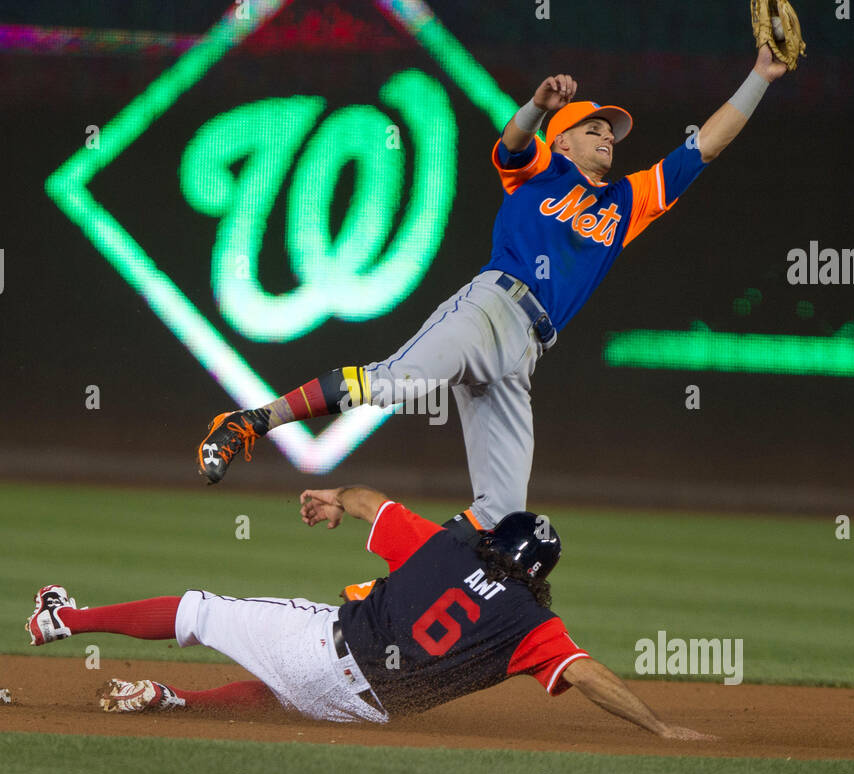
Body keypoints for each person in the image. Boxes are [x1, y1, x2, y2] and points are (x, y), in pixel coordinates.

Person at [196, 49, 788, 539]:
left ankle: (404, 589)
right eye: (593, 127)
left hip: (526, 350)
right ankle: (252, 420)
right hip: (491, 306)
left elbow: (705, 146)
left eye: (611, 130)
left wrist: (759, 76)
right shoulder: (539, 173)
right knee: (393, 383)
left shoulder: (627, 201)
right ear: (562, 142)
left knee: (504, 514)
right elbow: (510, 143)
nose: (608, 134)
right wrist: (537, 106)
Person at [25, 484, 714, 740]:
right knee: (282, 696)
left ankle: (64, 619)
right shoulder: (536, 628)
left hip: (328, 648)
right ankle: (173, 701)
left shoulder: (444, 548)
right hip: (368, 712)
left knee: (204, 611)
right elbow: (587, 674)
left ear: (495, 542)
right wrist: (658, 725)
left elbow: (369, 500)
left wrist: (332, 498)